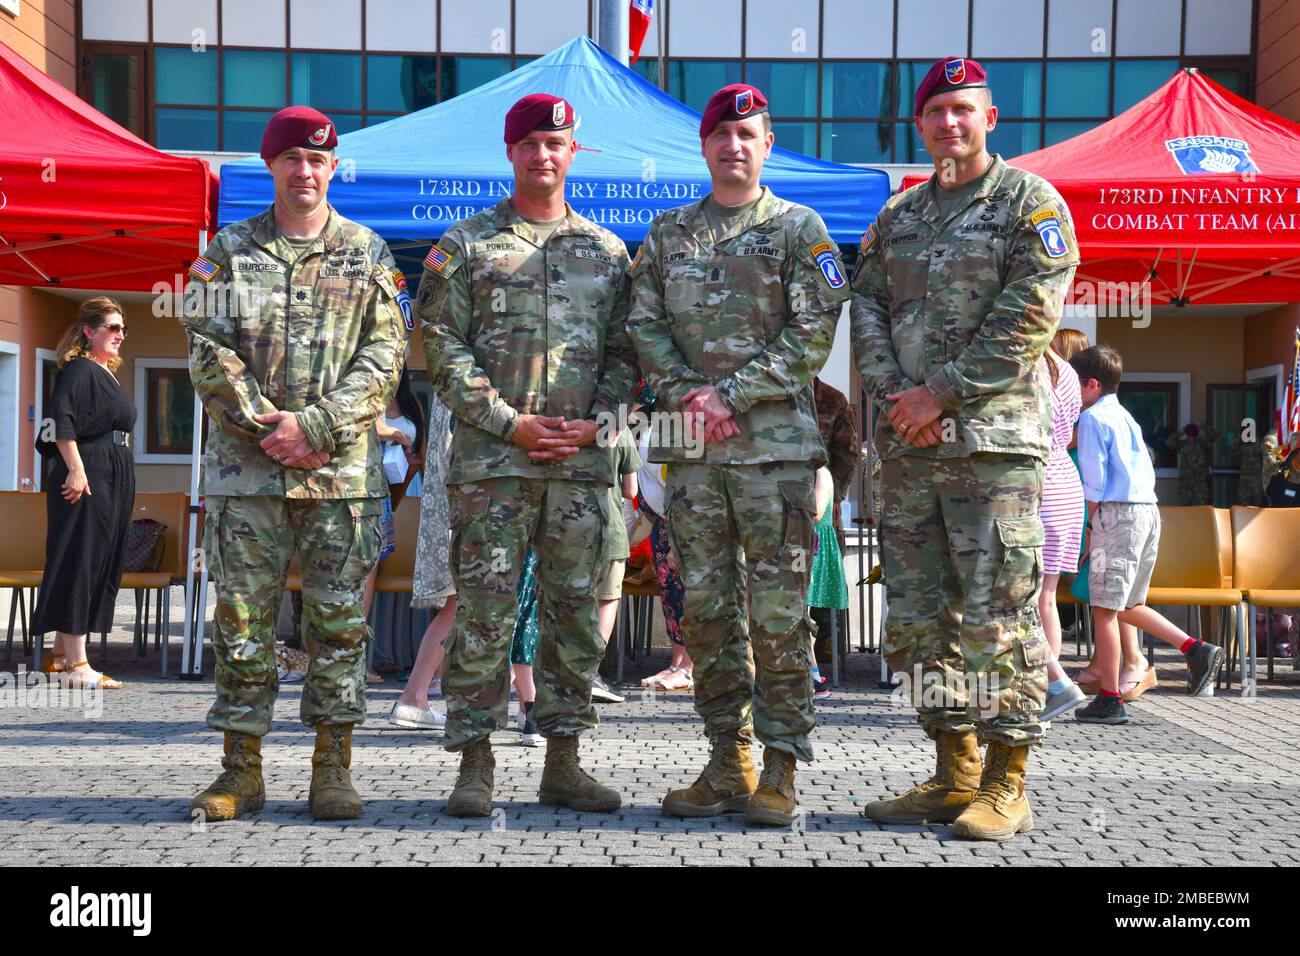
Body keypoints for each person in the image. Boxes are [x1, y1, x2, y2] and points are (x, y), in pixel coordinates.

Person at [851, 57, 1079, 841]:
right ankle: (953, 770)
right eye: (937, 111)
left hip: (991, 446)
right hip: (911, 452)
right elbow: (868, 309)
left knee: (996, 617)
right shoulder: (899, 219)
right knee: (917, 623)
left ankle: (1007, 780)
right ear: (919, 126)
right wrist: (894, 398)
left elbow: (1027, 319)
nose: (950, 122)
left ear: (991, 120)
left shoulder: (1030, 205)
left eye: (964, 109)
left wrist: (936, 394)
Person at [628, 83, 849, 826]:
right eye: (721, 134)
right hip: (693, 459)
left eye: (747, 134)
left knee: (781, 618)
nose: (734, 146)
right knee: (709, 618)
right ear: (704, 145)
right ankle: (729, 759)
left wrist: (733, 395)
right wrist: (692, 395)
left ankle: (781, 769)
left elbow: (814, 328)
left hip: (774, 461)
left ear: (767, 141)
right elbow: (643, 325)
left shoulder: (798, 228)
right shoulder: (668, 233)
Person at [184, 106, 411, 822]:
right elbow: (206, 349)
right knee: (243, 619)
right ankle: (240, 772)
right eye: (291, 160)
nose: (305, 171)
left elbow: (386, 356)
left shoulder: (368, 252)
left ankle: (332, 770)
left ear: (332, 167)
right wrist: (268, 427)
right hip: (247, 476)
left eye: (318, 160)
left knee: (339, 626)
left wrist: (312, 425)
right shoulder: (229, 252)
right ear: (271, 166)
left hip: (339, 475)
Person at [417, 94, 639, 817]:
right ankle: (474, 765)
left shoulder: (607, 252)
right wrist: (508, 422)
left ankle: (564, 762)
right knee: (485, 613)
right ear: (510, 153)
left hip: (579, 468)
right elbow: (441, 349)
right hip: (495, 466)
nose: (544, 155)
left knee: (574, 615)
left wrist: (594, 425)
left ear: (573, 153)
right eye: (531, 144)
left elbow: (626, 353)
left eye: (556, 143)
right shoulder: (467, 245)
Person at [1070, 345, 1226, 724]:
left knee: (1104, 609)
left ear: (1091, 384)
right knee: (1127, 604)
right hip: (1146, 512)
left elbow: (1094, 482)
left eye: (1075, 385)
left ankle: (1110, 698)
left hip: (1116, 514)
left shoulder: (1092, 420)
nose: (1071, 393)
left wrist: (1090, 529)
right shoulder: (1126, 417)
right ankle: (1196, 649)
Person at [31, 298, 135, 690]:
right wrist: (76, 469)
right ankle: (78, 664)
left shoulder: (104, 373)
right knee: (81, 558)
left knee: (98, 558)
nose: (120, 334)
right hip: (89, 472)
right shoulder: (78, 370)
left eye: (123, 329)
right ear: (88, 331)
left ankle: (60, 654)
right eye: (112, 327)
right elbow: (60, 419)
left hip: (112, 472)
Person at [389, 392, 456, 730]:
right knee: (463, 605)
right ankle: (414, 695)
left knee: (460, 606)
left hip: (459, 504)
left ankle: (415, 695)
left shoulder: (448, 389)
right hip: (469, 507)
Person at [363, 368, 424, 683]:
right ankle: (376, 653)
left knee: (404, 566)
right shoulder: (367, 398)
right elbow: (360, 427)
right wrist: (393, 434)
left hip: (409, 483)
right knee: (371, 570)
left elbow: (422, 446)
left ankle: (404, 651)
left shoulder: (412, 404)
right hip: (374, 486)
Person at [1037, 347, 1087, 720]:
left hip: (1038, 481)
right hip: (1066, 480)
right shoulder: (1066, 370)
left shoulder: (1021, 360)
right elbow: (1069, 431)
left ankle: (1053, 684)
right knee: (1047, 598)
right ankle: (1045, 687)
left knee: (1022, 598)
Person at [634, 413, 693, 690]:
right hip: (662, 523)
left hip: (679, 525)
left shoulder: (650, 439)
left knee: (687, 596)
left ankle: (691, 667)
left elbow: (675, 486)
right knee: (671, 598)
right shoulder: (642, 437)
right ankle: (677, 662)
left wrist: (676, 541)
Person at [811, 377, 859, 666]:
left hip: (823, 497)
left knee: (827, 563)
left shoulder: (833, 399)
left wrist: (836, 496)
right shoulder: (774, 393)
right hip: (774, 495)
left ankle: (827, 637)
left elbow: (848, 453)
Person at [591, 426, 640, 703]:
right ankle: (590, 673)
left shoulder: (574, 423)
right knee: (607, 601)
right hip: (612, 530)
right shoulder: (620, 430)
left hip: (572, 533)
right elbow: (631, 490)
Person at [807, 465, 847, 700]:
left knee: (796, 613)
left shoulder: (821, 472)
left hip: (814, 546)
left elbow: (817, 512)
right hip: (799, 543)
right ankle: (811, 675)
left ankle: (812, 676)